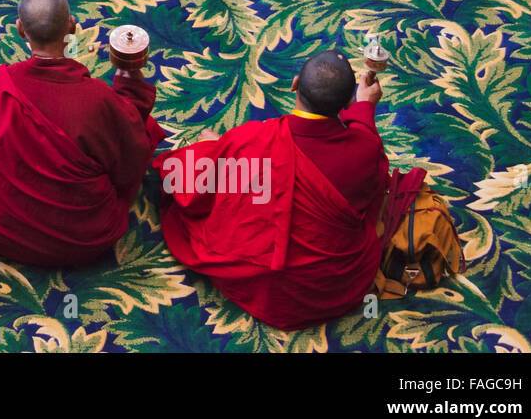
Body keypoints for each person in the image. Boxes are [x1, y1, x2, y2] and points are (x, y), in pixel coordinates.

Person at [156, 51, 390, 330]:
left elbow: (191, 187)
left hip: (259, 283)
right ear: (347, 102)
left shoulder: (255, 138)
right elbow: (371, 164)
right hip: (330, 288)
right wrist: (365, 108)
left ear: (294, 84)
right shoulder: (364, 151)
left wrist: (221, 150)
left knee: (225, 165)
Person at [0, 0, 164, 266]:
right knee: (138, 128)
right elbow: (129, 163)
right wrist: (128, 80)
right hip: (82, 239)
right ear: (72, 27)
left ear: (19, 29)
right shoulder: (98, 98)